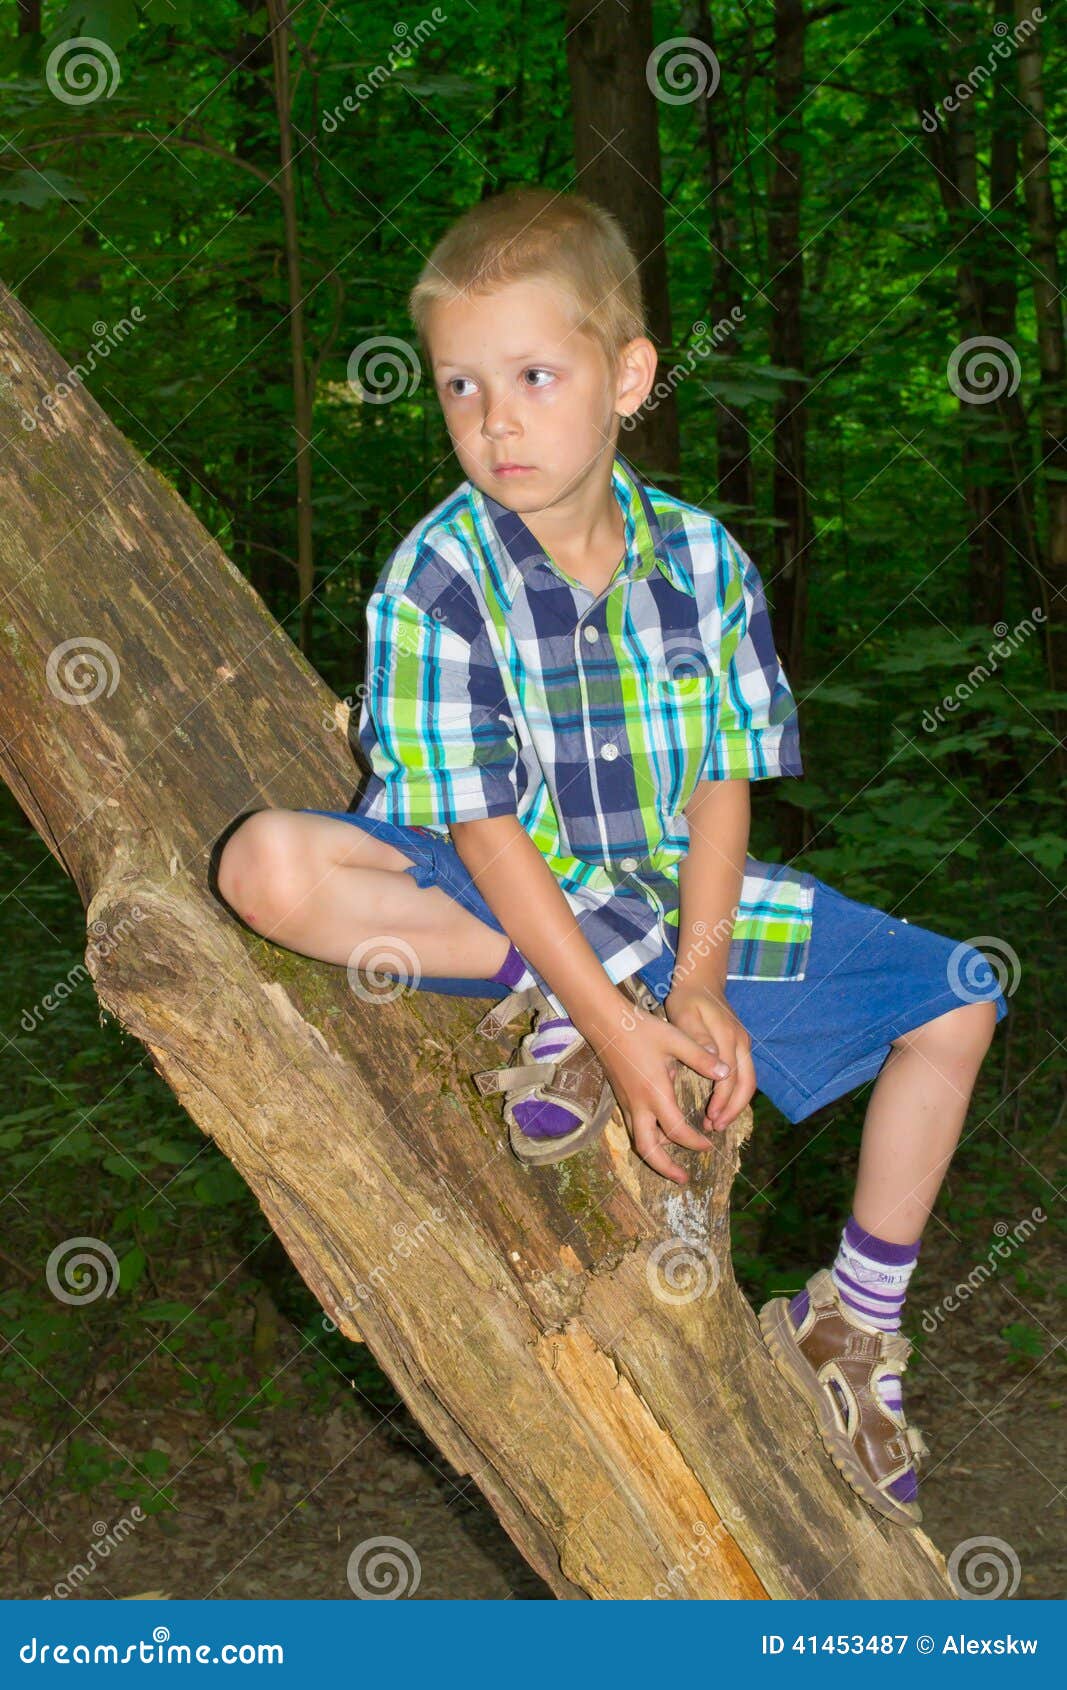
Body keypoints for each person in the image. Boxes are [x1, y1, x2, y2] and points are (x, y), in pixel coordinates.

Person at [215, 186, 1008, 1531]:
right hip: (495, 877)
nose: (496, 419)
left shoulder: (702, 562)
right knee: (260, 867)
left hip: (679, 905)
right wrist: (615, 1022)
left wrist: (694, 988)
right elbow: (473, 824)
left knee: (964, 996)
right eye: (462, 386)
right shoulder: (434, 579)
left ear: (628, 375)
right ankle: (561, 1009)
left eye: (534, 374)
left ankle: (854, 1324)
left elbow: (721, 783)